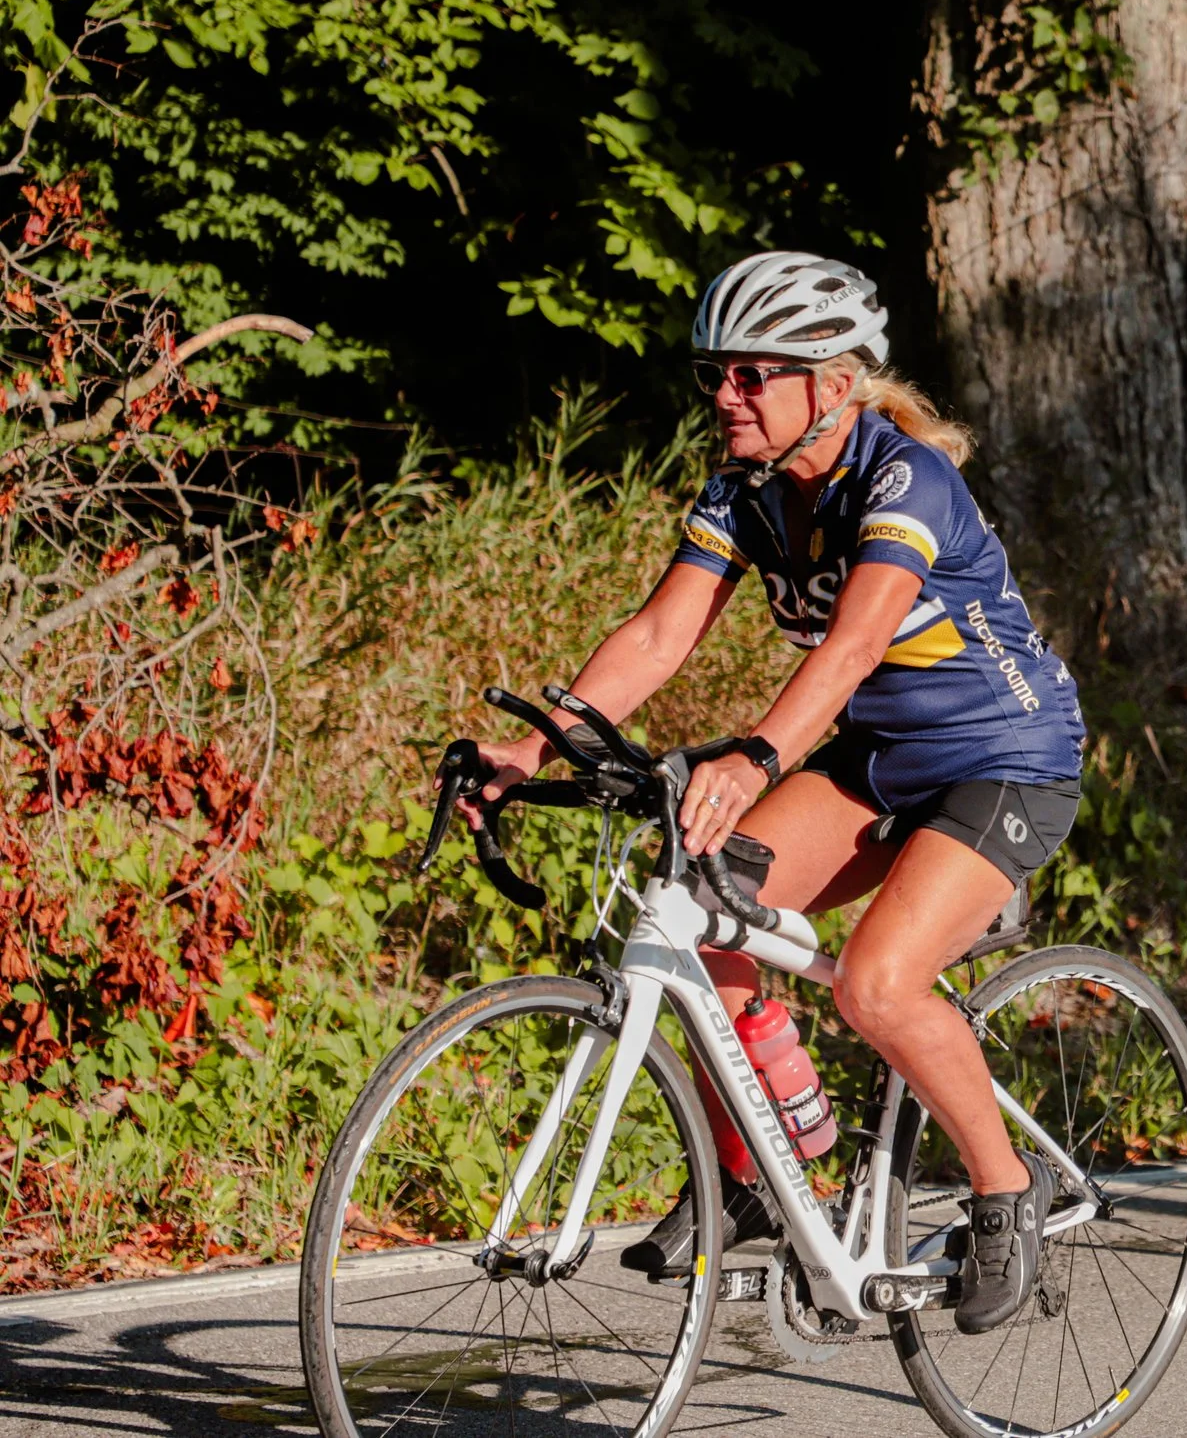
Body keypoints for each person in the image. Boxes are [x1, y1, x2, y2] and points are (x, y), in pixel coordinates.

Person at [461, 251, 1087, 1331]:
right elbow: (660, 632)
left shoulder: (904, 480)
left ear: (833, 385)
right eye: (720, 372)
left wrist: (753, 757)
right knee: (702, 910)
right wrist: (537, 748)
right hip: (883, 759)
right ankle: (764, 1160)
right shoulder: (743, 492)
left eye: (756, 373)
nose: (726, 394)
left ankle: (1004, 1190)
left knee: (877, 987)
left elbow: (848, 651)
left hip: (1003, 758)